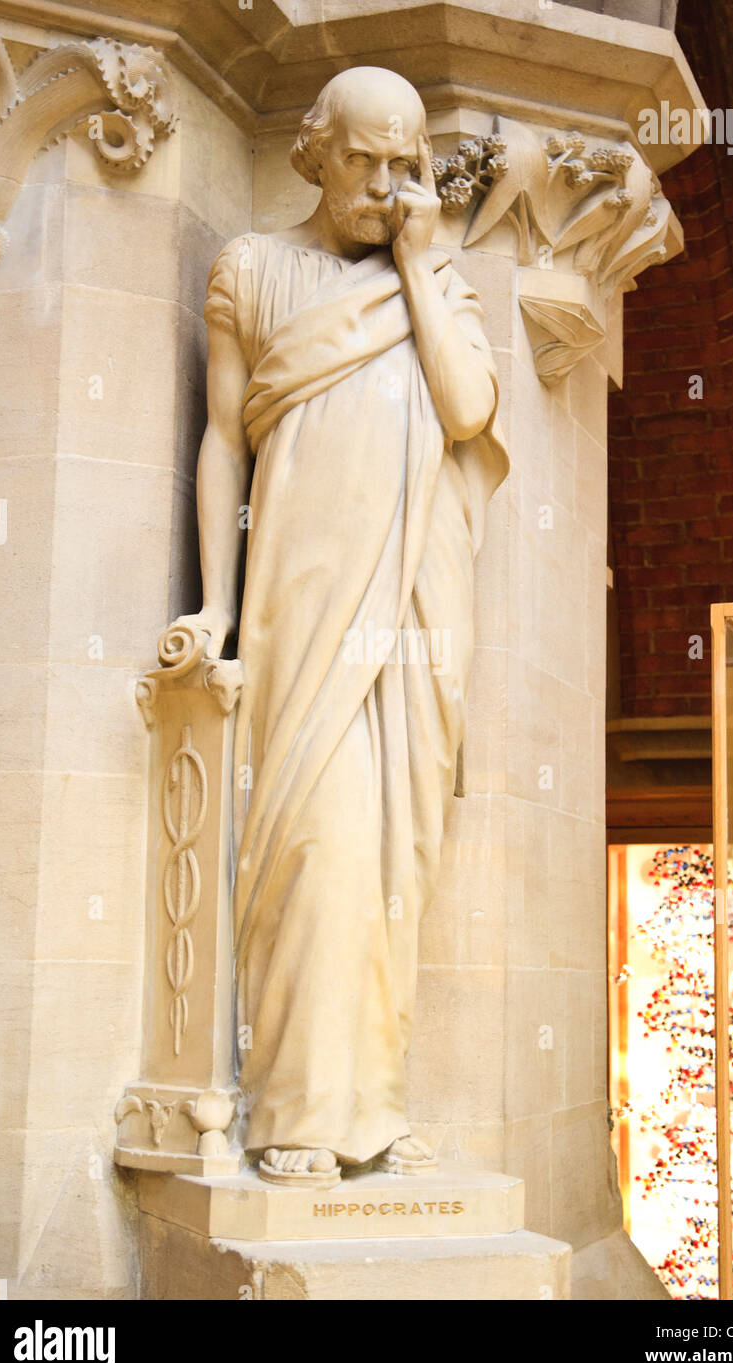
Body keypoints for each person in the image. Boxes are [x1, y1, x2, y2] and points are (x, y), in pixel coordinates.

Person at [171, 66, 508, 1187]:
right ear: (313, 150)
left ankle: (374, 1102)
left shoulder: (434, 281)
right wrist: (214, 603)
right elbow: (223, 442)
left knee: (397, 856)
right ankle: (297, 1111)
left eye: (402, 161)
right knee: (318, 840)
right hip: (302, 602)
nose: (381, 182)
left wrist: (419, 265)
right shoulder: (254, 271)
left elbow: (468, 411)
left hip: (417, 611)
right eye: (361, 157)